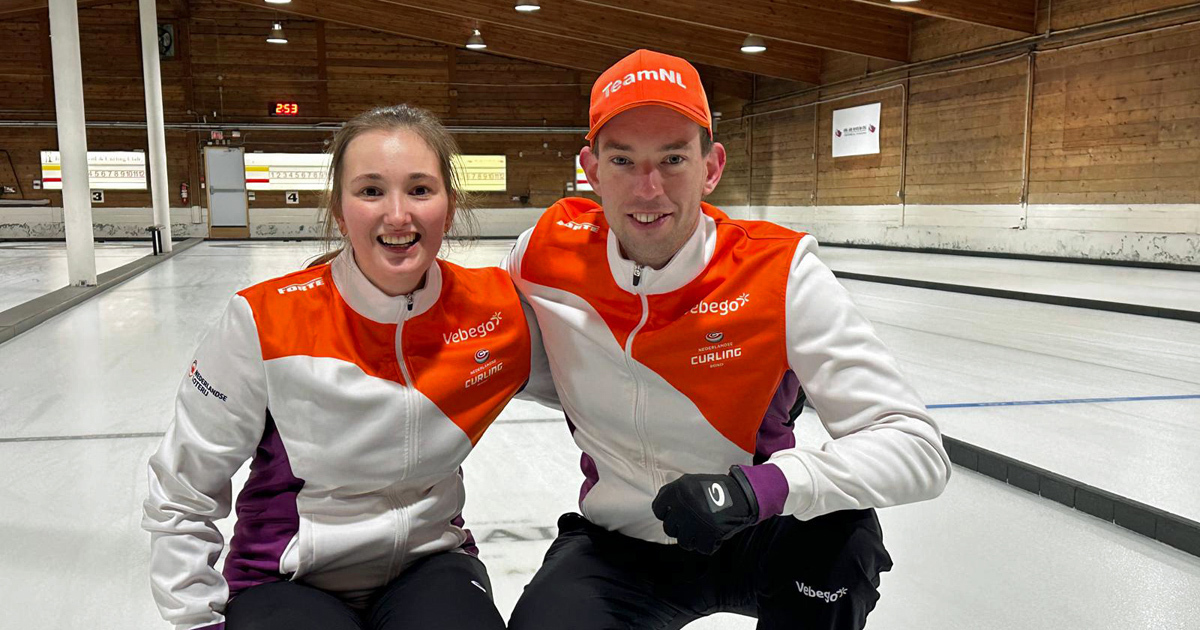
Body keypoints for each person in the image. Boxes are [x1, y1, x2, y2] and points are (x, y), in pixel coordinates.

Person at [504, 50, 951, 629]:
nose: (648, 189)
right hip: (616, 547)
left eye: (672, 158)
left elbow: (916, 447)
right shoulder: (543, 255)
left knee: (843, 541)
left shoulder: (779, 271)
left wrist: (759, 489)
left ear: (711, 166)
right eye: (623, 160)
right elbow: (475, 344)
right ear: (590, 168)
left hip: (757, 531)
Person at [143, 104, 546, 630]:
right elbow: (184, 489)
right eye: (371, 190)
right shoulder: (264, 320)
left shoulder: (495, 312)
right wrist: (198, 619)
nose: (397, 215)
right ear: (339, 210)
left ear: (448, 209)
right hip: (285, 580)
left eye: (420, 190)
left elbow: (606, 385)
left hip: (430, 566)